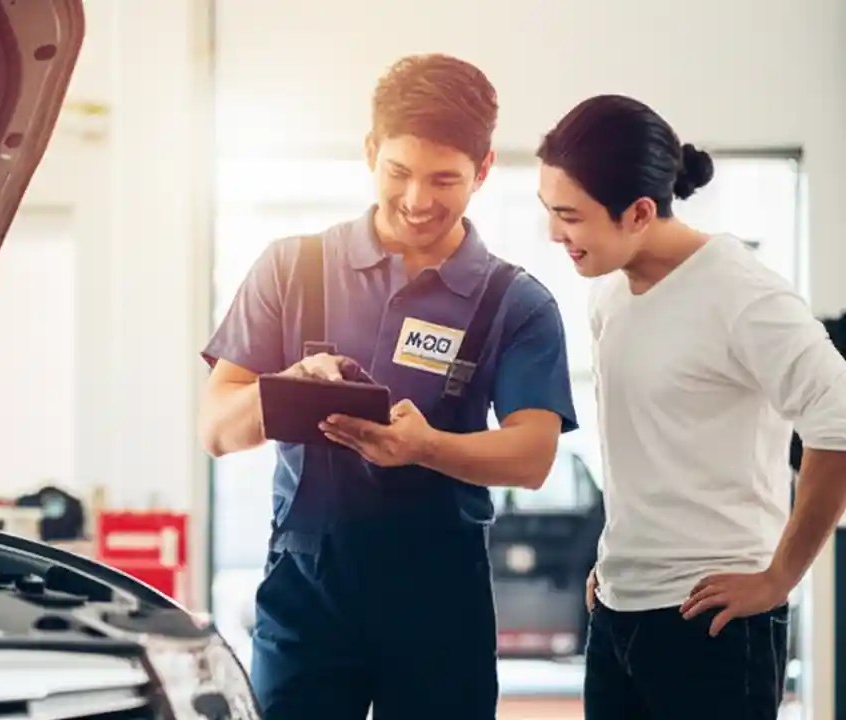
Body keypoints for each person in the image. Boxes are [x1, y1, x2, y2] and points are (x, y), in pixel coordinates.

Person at [198, 54, 578, 719]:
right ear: (371, 151)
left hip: (440, 598)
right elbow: (218, 430)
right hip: (305, 593)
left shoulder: (515, 302)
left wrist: (426, 447)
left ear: (484, 171)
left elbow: (532, 455)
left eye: (445, 180)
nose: (417, 201)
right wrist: (288, 385)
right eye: (398, 172)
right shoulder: (292, 270)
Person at [536, 94, 846, 719]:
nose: (553, 233)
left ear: (640, 212)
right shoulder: (610, 293)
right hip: (619, 613)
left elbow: (838, 420)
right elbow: (648, 444)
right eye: (549, 211)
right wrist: (617, 554)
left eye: (569, 216)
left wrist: (780, 576)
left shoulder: (743, 294)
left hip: (713, 624)